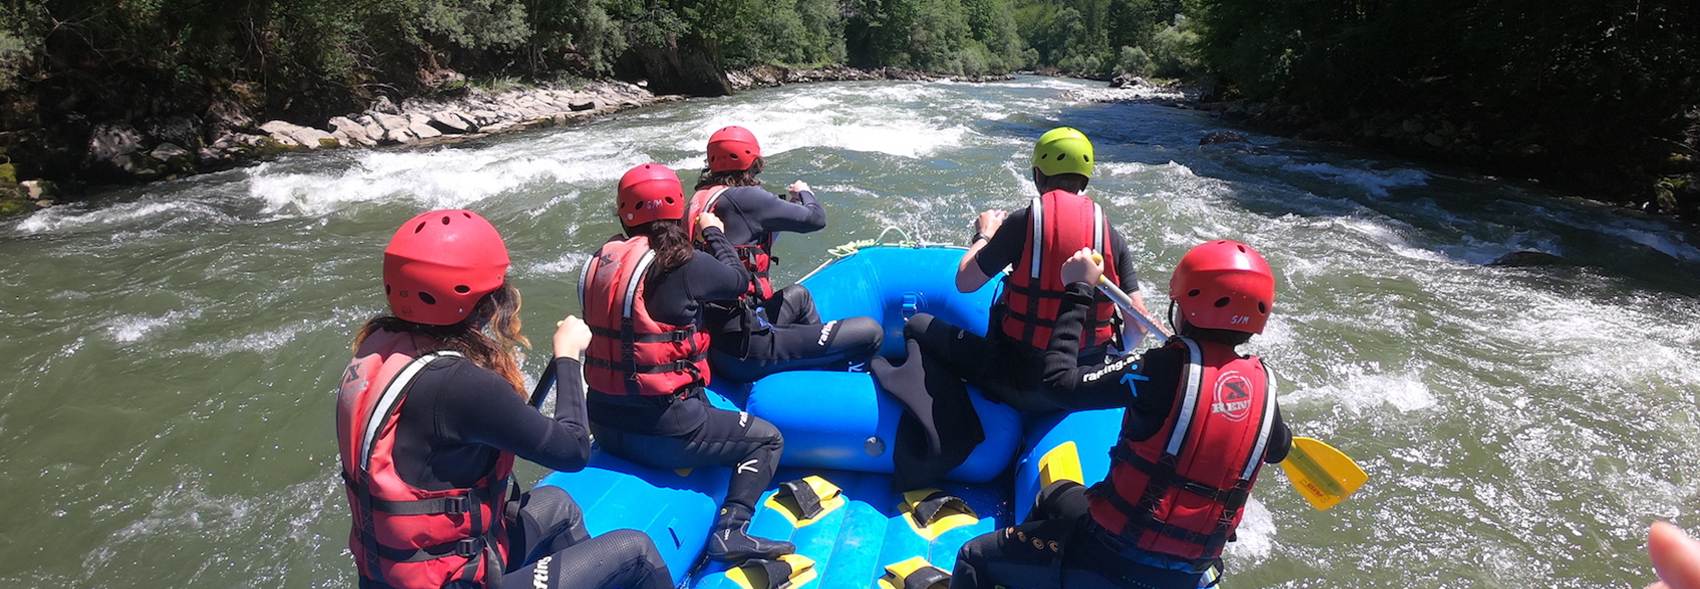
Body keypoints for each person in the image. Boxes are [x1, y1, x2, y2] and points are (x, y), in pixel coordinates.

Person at [334, 209, 671, 589]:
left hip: (394, 575)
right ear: (482, 302)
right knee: (636, 549)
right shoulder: (460, 384)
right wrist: (567, 356)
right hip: (448, 581)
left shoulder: (375, 354)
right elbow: (573, 450)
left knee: (558, 504)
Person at [951, 241, 1293, 589]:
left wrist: (1078, 291)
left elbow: (1057, 385)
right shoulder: (1265, 387)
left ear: (1183, 306)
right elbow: (1279, 447)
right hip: (1187, 573)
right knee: (1055, 496)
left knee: (972, 558)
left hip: (1108, 557)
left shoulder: (1160, 369)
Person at [581, 162, 796, 563]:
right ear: (677, 207)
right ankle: (732, 531)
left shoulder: (602, 260)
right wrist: (713, 232)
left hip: (604, 425)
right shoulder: (683, 262)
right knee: (768, 439)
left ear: (624, 213)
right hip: (667, 431)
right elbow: (738, 282)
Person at [904, 126, 1154, 414]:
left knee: (918, 324)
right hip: (1077, 385)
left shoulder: (1023, 223)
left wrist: (984, 234)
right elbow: (1138, 326)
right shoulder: (1111, 235)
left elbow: (966, 281)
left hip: (1015, 380)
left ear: (1038, 175)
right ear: (1084, 179)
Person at [685, 125, 882, 383]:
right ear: (754, 163)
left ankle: (815, 365)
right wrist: (804, 192)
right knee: (870, 331)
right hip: (747, 347)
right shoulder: (748, 198)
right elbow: (815, 218)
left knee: (798, 296)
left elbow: (748, 234)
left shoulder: (700, 199)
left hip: (720, 337)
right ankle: (835, 390)